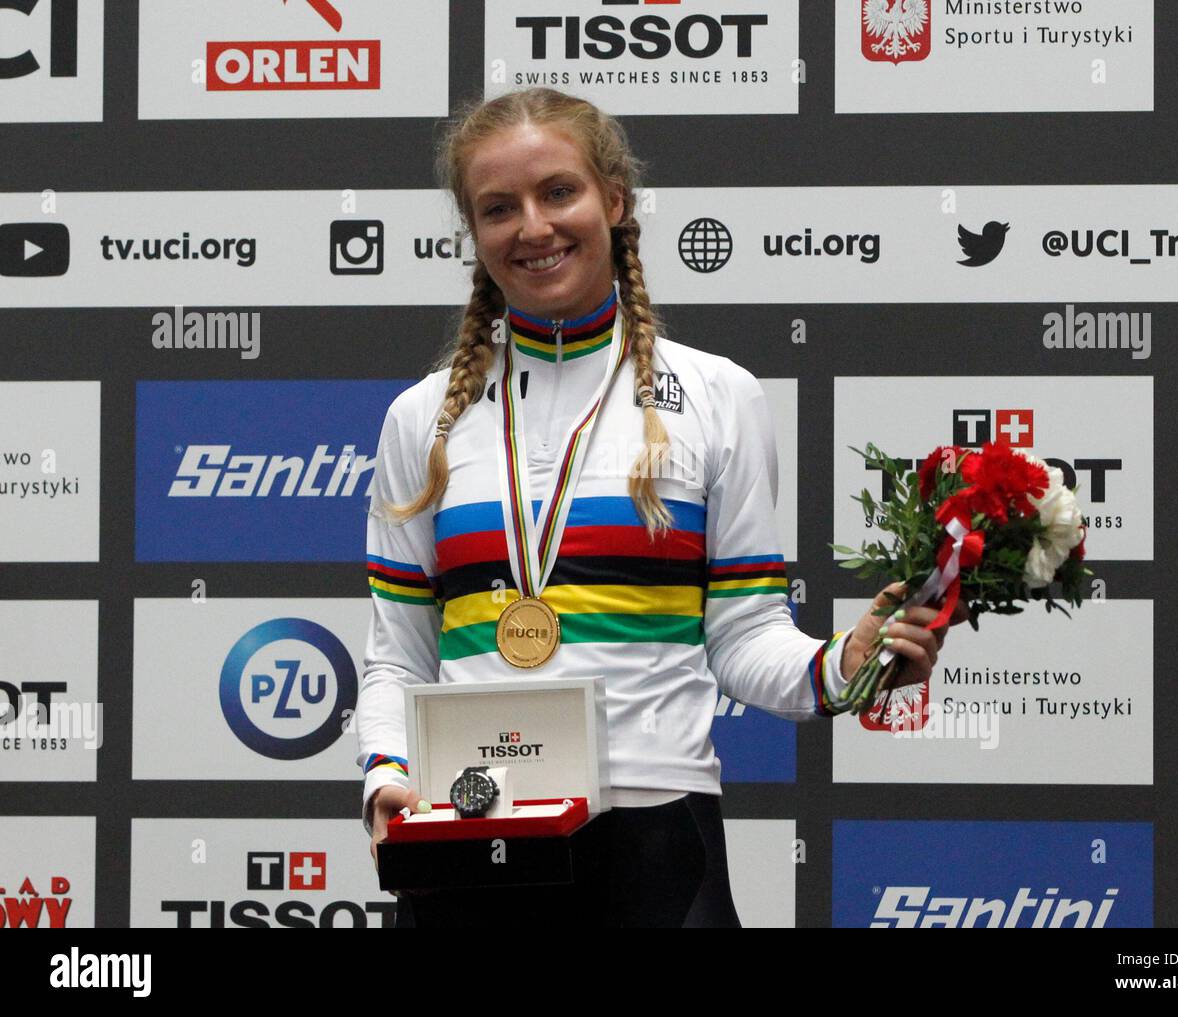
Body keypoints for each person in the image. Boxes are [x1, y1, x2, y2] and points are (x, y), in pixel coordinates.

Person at [355, 87, 964, 928]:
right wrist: (386, 775)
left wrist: (839, 665)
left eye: (558, 192)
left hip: (657, 839)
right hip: (468, 830)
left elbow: (745, 636)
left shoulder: (720, 396)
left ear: (614, 198)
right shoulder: (420, 418)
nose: (533, 227)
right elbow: (398, 655)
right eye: (500, 208)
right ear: (474, 230)